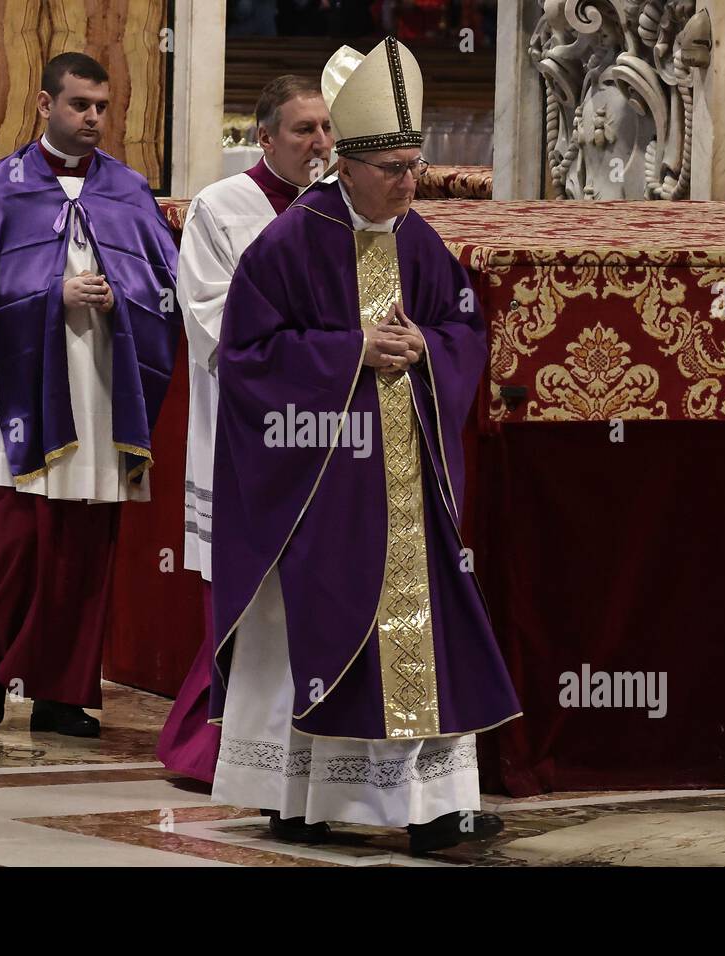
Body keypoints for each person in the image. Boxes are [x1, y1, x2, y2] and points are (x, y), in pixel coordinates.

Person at [208, 38, 522, 855]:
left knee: (429, 626)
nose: (410, 183)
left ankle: (436, 805)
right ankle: (299, 797)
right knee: (315, 630)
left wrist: (431, 348)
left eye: (416, 165)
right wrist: (350, 352)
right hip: (317, 489)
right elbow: (244, 360)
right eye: (393, 169)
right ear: (343, 166)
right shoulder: (286, 244)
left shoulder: (419, 239)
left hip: (409, 485)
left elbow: (462, 326)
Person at [0, 52, 181, 738]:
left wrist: (123, 299)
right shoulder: (0, 188)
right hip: (16, 398)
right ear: (45, 106)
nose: (94, 119)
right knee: (14, 547)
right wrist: (51, 296)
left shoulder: (129, 192)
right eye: (80, 105)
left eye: (104, 107)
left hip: (99, 394)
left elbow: (163, 292)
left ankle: (60, 692)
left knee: (80, 552)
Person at [157, 75, 333, 782]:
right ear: (263, 138)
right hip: (243, 432)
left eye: (326, 128)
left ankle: (305, 747)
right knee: (243, 592)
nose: (319, 142)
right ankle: (220, 745)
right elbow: (208, 317)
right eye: (302, 130)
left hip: (322, 429)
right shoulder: (220, 208)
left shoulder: (342, 207)